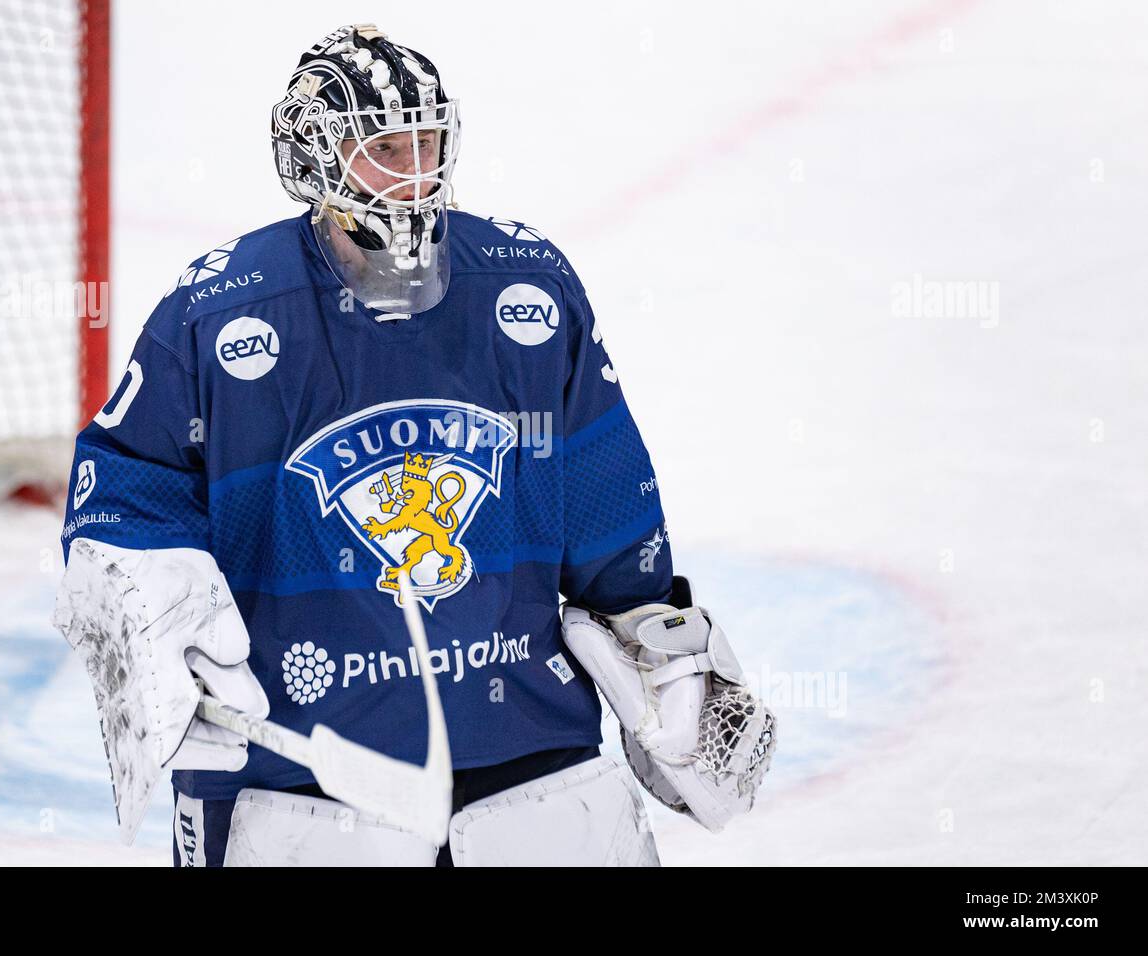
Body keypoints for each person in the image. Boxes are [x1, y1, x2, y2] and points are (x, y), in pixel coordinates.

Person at [53, 23, 775, 867]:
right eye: (384, 148)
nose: (415, 169)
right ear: (315, 161)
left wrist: (659, 641)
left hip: (525, 760)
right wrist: (153, 617)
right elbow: (123, 498)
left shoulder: (525, 285)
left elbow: (605, 490)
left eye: (426, 140)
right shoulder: (220, 315)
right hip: (296, 781)